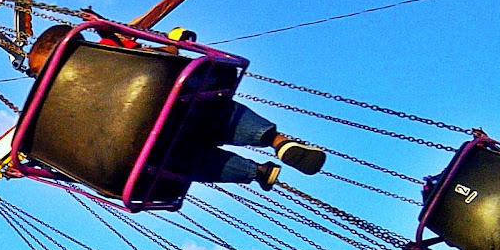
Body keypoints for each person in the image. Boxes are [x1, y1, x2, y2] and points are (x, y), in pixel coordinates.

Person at [25, 24, 327, 191]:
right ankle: (275, 141)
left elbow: (74, 159)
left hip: (141, 144)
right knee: (212, 111)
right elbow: (160, 60)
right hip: (173, 108)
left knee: (186, 162)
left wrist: (37, 164)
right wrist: (175, 42)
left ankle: (257, 171)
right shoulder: (111, 53)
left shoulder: (60, 111)